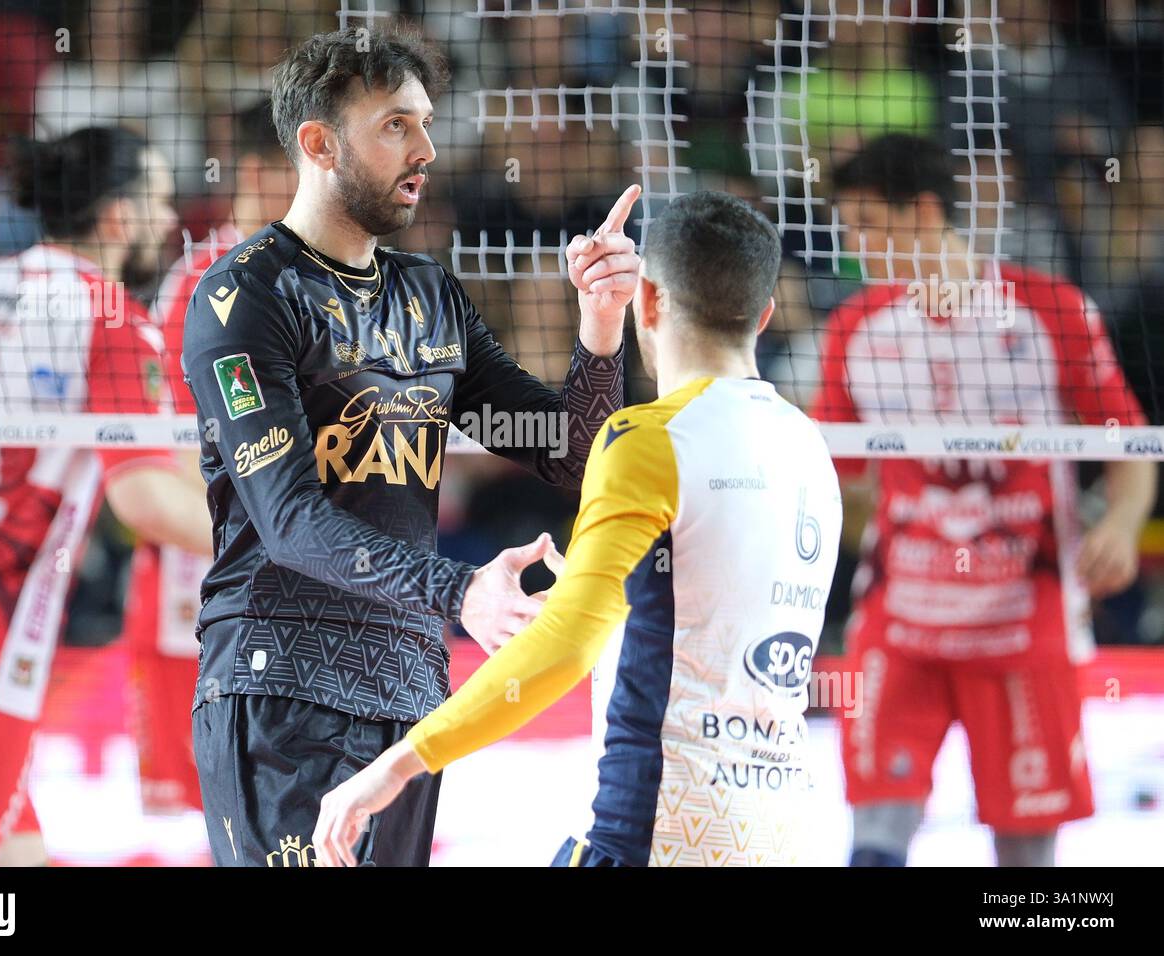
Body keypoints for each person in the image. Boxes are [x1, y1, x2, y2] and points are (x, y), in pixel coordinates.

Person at [181, 24, 637, 867]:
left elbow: (567, 454)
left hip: (408, 692)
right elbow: (288, 521)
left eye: (424, 121)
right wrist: (458, 589)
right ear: (318, 144)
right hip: (278, 679)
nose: (425, 147)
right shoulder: (243, 297)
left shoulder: (427, 296)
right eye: (396, 124)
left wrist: (600, 333)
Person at [313, 191, 844, 868]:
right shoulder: (808, 445)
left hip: (659, 830)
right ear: (764, 315)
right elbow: (721, 615)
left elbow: (565, 647)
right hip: (784, 831)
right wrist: (612, 597)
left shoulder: (646, 438)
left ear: (646, 303)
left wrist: (398, 763)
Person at [0, 127, 215, 866]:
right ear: (118, 216)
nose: (167, 220)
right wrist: (307, 545)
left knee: (7, 853)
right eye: (156, 200)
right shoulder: (114, 321)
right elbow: (148, 499)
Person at [812, 134, 1157, 866]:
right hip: (900, 627)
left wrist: (1123, 526)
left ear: (925, 212)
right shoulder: (855, 330)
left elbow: (1129, 447)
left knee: (1026, 869)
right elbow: (830, 480)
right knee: (873, 846)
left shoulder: (1050, 312)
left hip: (1023, 624)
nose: (854, 245)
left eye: (867, 223)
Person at [124, 98, 294, 816]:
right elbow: (158, 463)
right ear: (257, 173)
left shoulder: (340, 273)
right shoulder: (202, 282)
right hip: (199, 601)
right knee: (206, 819)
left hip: (309, 597)